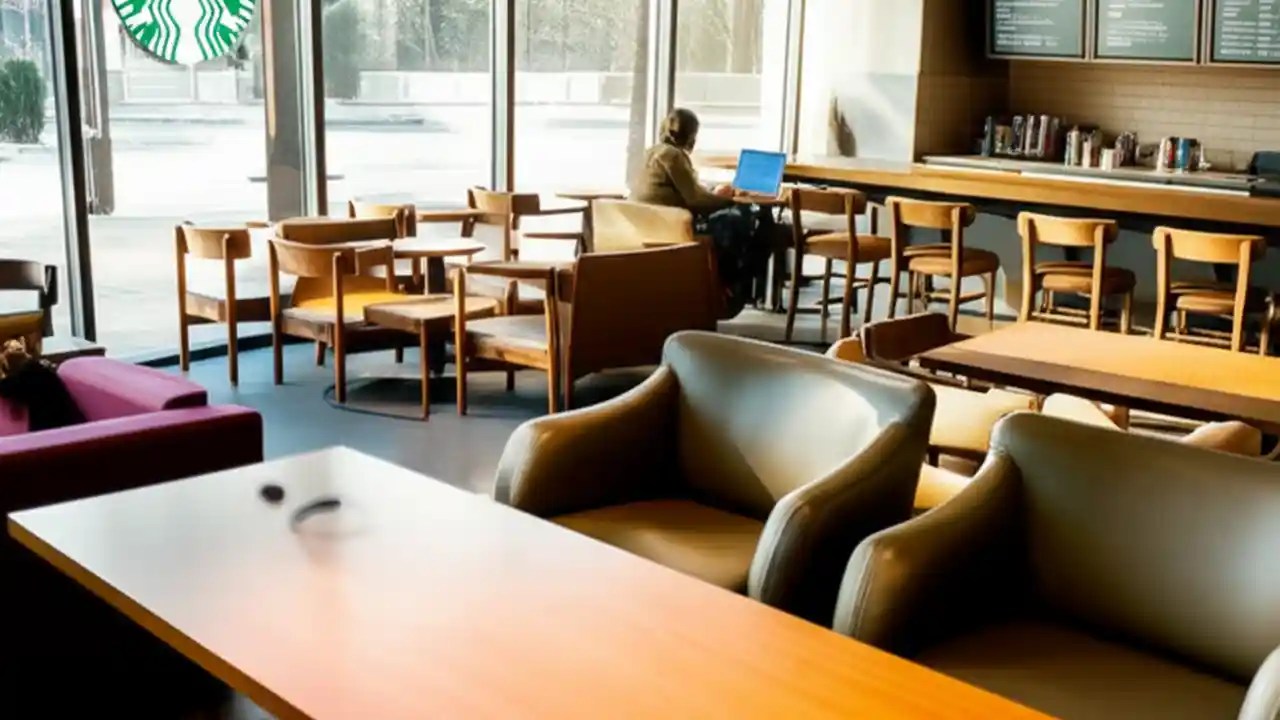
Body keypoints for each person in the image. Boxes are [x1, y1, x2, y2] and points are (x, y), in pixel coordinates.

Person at [629, 108, 773, 318]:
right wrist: (730, 199)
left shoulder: (653, 152)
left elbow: (683, 191)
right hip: (672, 226)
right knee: (740, 221)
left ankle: (732, 287)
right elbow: (695, 200)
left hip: (651, 222)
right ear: (691, 136)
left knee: (733, 220)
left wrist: (714, 194)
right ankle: (729, 289)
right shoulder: (674, 156)